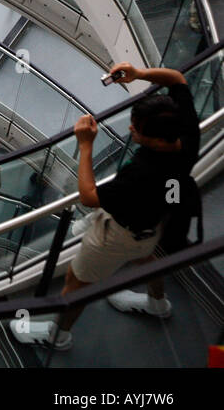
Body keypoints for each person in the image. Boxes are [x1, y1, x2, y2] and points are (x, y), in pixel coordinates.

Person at [15, 63, 200, 351]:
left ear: (156, 139)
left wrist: (86, 144)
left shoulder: (142, 173)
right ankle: (157, 303)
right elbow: (176, 78)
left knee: (76, 281)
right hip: (152, 225)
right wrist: (138, 73)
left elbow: (88, 196)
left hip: (119, 234)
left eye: (136, 129)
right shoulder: (186, 135)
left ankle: (57, 336)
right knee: (146, 255)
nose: (130, 128)